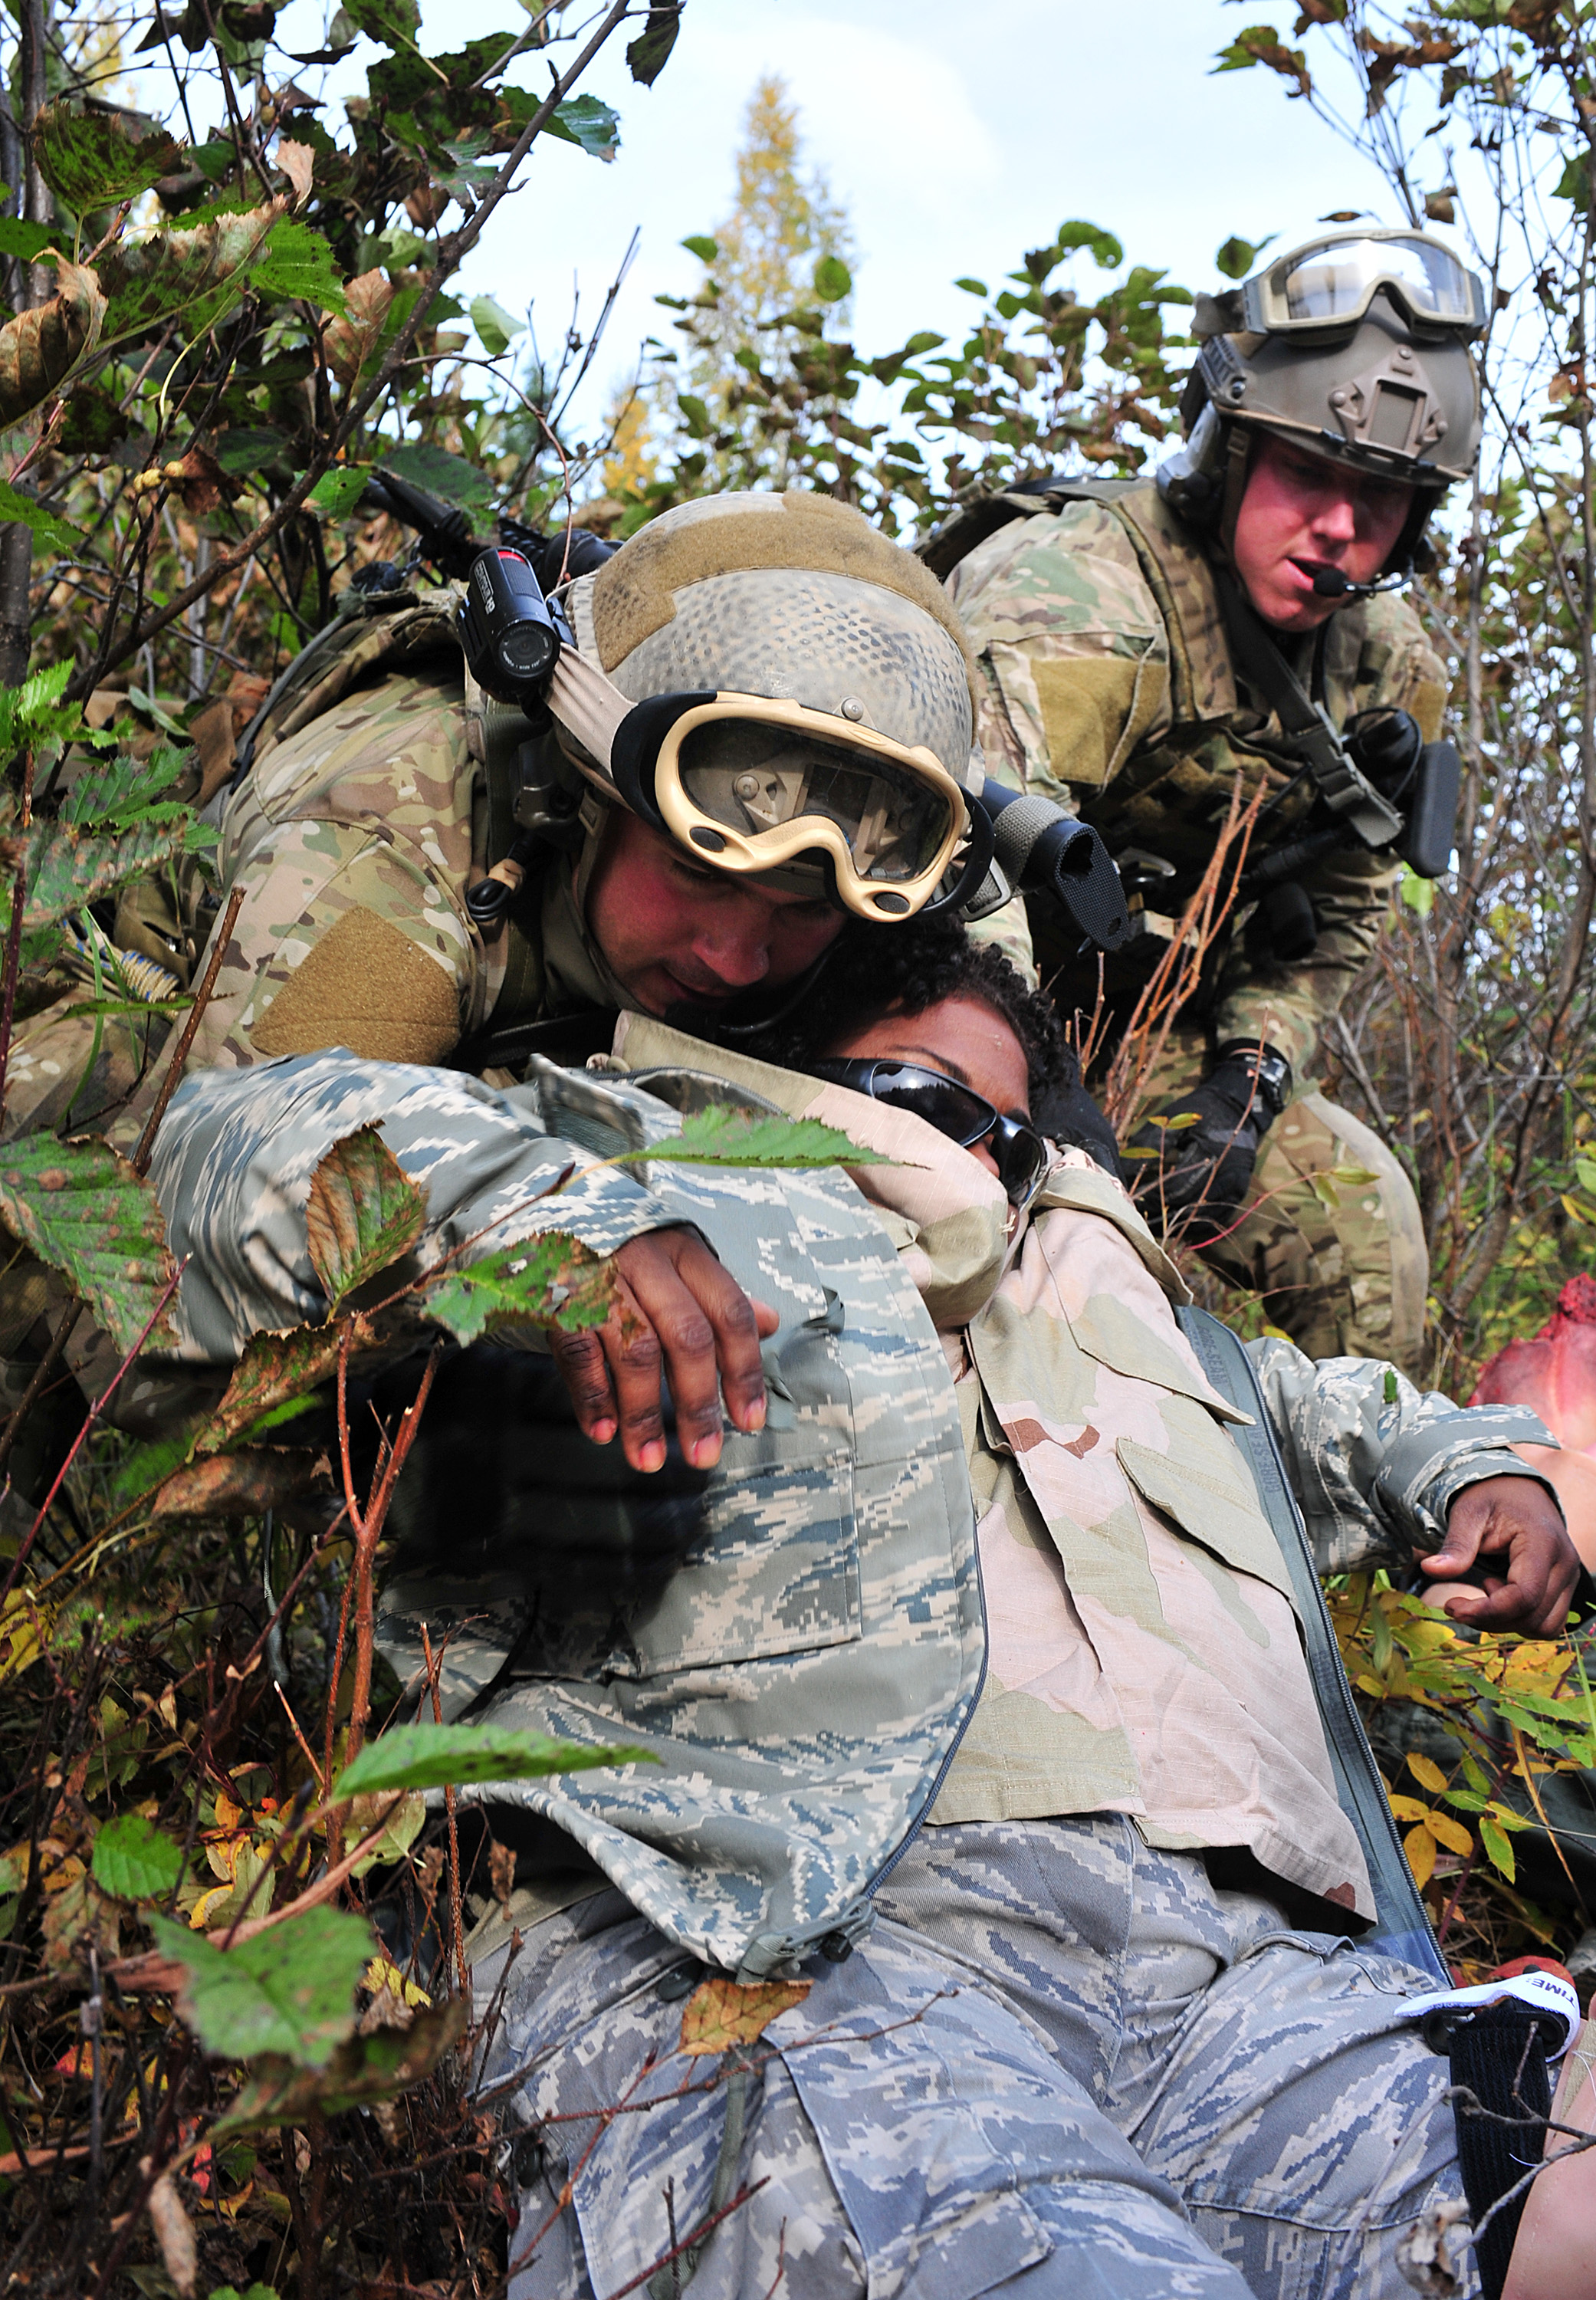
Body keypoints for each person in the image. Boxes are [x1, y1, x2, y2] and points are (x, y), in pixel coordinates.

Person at [936, 226, 1487, 1378]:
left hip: (1150, 1037)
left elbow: (1338, 914)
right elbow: (957, 867)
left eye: (1382, 496)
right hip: (939, 1012)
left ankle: (1340, 1541)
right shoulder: (1077, 594)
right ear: (1227, 453)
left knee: (1361, 1226)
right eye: (1309, 474)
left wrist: (1250, 1075)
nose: (1340, 526)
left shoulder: (1386, 668)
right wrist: (1054, 1120)